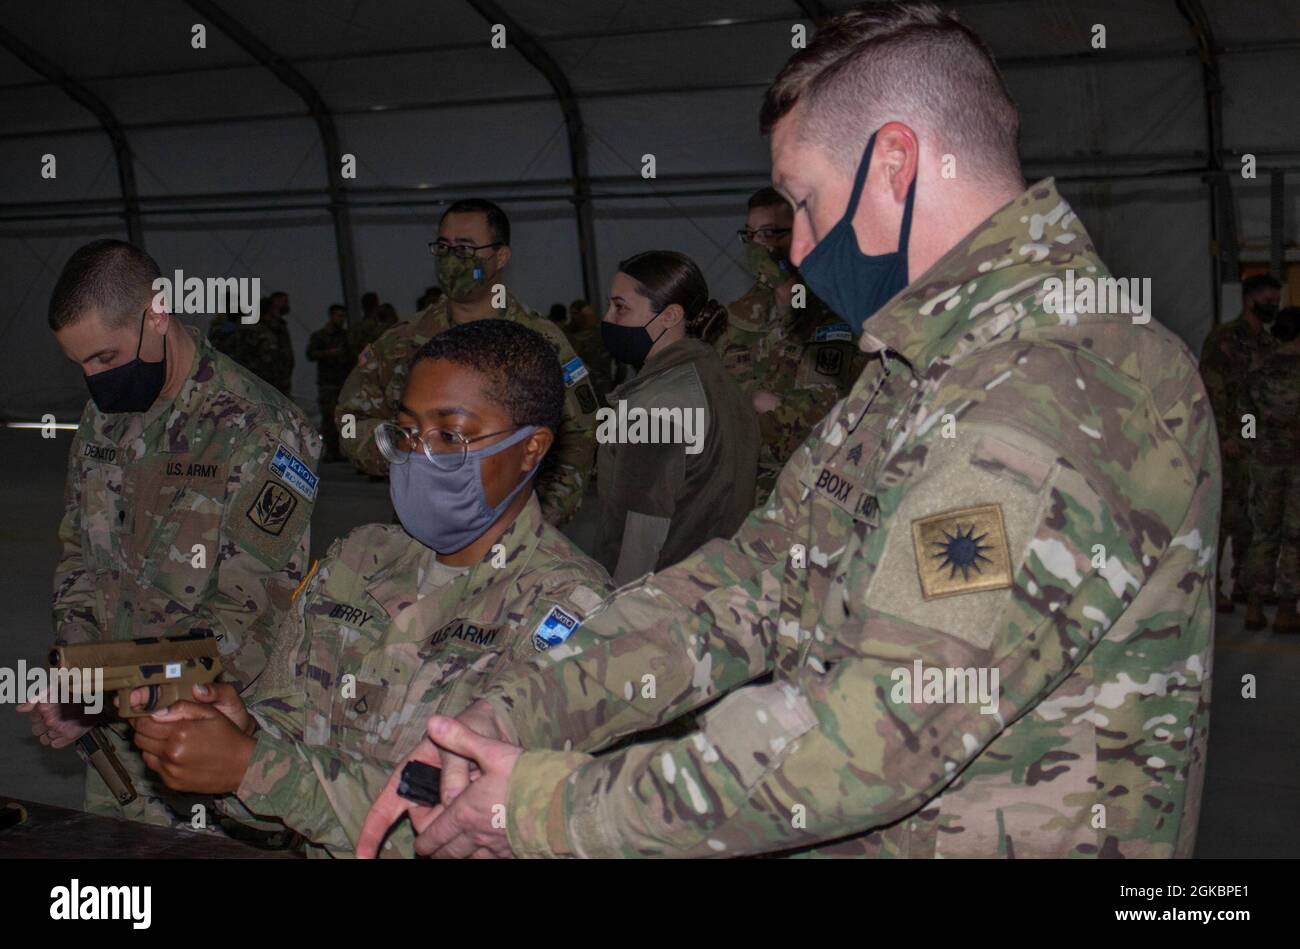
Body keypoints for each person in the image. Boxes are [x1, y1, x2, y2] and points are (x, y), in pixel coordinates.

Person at [358, 2, 1217, 860]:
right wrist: (517, 706)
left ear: (895, 164)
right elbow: (759, 578)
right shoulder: (917, 367)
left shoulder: (1059, 383)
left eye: (804, 204)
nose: (798, 248)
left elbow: (872, 741)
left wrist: (540, 807)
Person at [129, 320, 612, 857]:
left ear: (531, 449)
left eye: (450, 436)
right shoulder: (357, 560)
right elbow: (287, 723)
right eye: (407, 433)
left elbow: (477, 823)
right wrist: (236, 731)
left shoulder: (572, 612)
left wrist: (253, 768)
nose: (418, 456)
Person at [19, 239, 319, 831]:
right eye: (79, 363)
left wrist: (115, 690)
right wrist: (80, 676)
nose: (93, 379)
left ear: (158, 312)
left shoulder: (261, 428)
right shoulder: (105, 417)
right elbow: (80, 556)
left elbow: (254, 616)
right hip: (119, 751)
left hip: (213, 747)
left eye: (104, 357)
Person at [335, 198, 598, 526]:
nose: (451, 259)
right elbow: (352, 419)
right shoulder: (401, 342)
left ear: (500, 256)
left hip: (513, 530)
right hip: (423, 527)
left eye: (465, 248)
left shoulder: (542, 341)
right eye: (443, 247)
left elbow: (580, 433)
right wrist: (402, 451)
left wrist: (542, 518)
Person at [594, 251, 758, 584]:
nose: (608, 318)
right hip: (716, 585)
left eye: (620, 307)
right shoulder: (714, 378)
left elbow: (639, 539)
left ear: (669, 316)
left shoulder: (657, 405)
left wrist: (615, 613)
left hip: (661, 604)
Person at [738, 188, 867, 503]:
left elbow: (821, 424)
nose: (759, 247)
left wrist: (771, 408)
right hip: (748, 503)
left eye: (769, 233)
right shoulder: (743, 316)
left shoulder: (840, 312)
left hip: (814, 500)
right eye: (750, 235)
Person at [1200, 273, 1281, 612]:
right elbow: (1211, 389)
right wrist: (1226, 435)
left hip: (1255, 443)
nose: (1273, 306)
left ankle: (1244, 584)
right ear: (1250, 299)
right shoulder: (1223, 338)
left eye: (1276, 301)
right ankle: (1211, 588)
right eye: (1268, 299)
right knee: (1225, 517)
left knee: (1252, 515)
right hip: (1230, 440)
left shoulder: (1269, 344)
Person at [1241, 306, 1300, 632]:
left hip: (1265, 461)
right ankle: (1287, 609)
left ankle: (1253, 607)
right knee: (1294, 536)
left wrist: (1257, 443)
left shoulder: (1260, 370)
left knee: (1263, 534)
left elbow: (1245, 416)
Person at [306, 304, 355, 463]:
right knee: (329, 417)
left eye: (343, 316)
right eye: (338, 316)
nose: (341, 319)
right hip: (328, 383)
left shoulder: (346, 336)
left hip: (344, 383)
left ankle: (347, 449)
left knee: (348, 417)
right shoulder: (320, 336)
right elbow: (310, 354)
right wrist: (328, 353)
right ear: (331, 316)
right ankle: (332, 450)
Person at [564, 298, 618, 407]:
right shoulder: (567, 337)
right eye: (583, 316)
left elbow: (620, 365)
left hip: (603, 389)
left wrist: (615, 384)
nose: (585, 320)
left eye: (588, 316)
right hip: (581, 391)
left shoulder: (603, 334)